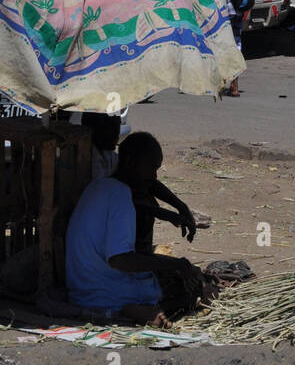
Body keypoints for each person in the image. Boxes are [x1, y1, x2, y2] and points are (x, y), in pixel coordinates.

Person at [66, 132, 205, 328]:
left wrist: (178, 208)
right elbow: (120, 260)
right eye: (152, 169)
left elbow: (150, 184)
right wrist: (177, 265)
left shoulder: (99, 185)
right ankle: (136, 309)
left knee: (169, 272)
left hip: (79, 289)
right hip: (102, 295)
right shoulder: (121, 196)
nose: (154, 177)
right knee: (189, 288)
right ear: (131, 162)